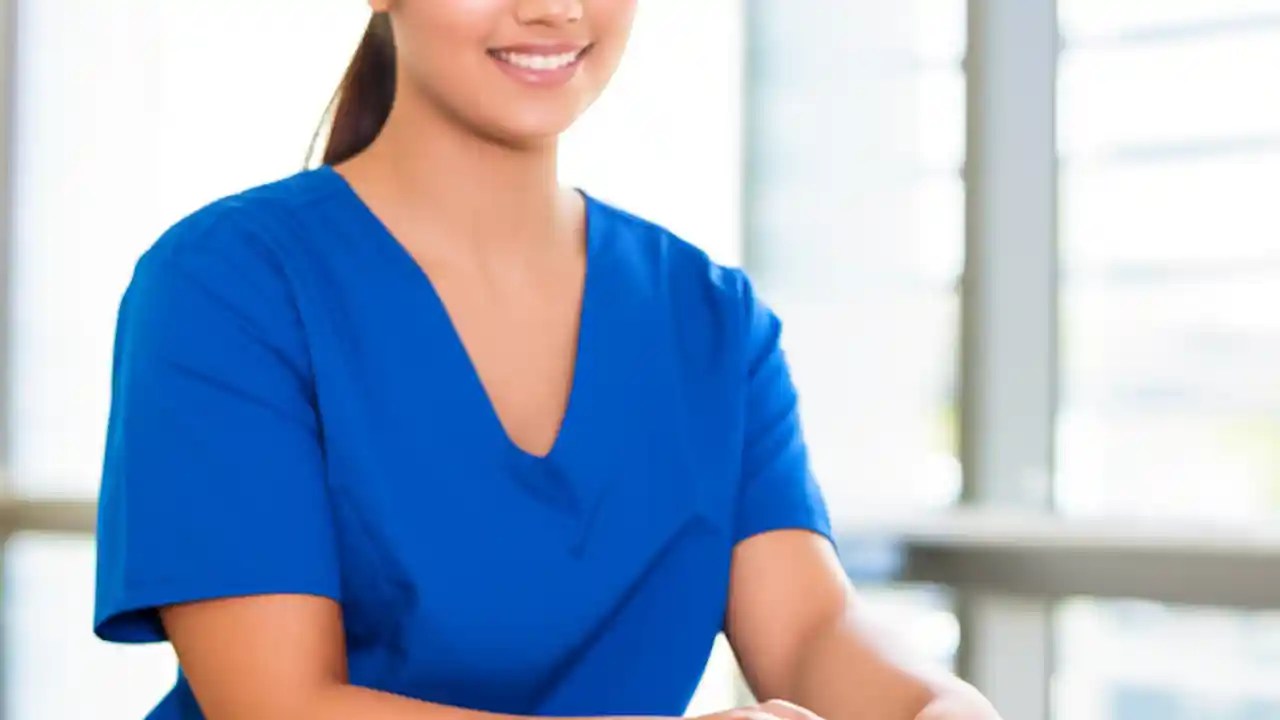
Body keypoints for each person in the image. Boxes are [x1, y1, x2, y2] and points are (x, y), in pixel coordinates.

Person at [93, 2, 1001, 719]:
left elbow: (807, 629)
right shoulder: (227, 286)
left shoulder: (711, 319)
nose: (553, 7)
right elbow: (276, 706)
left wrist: (935, 705)